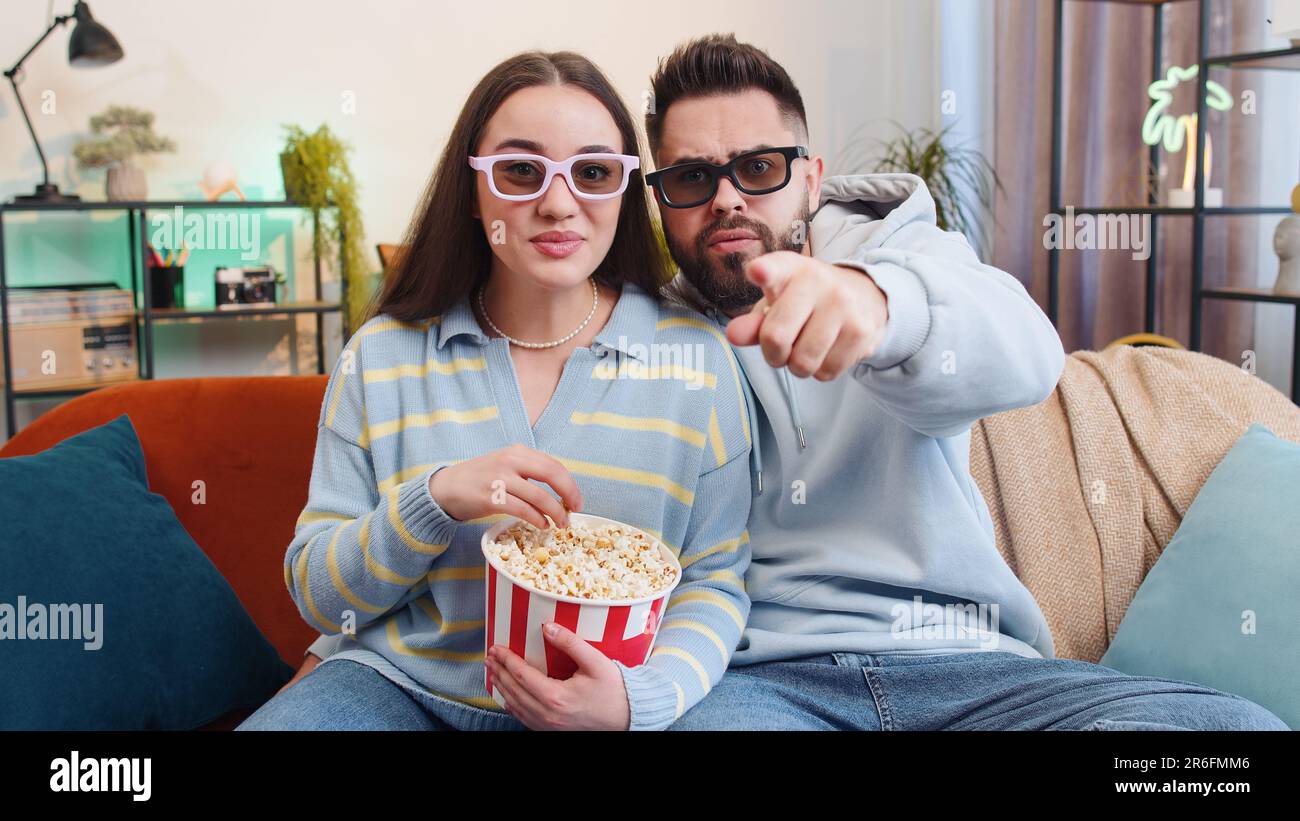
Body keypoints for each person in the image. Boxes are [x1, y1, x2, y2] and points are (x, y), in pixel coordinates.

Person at [639, 33, 1285, 731]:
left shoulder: (908, 255)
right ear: (661, 197)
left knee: (1231, 737)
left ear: (811, 178)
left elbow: (1031, 357)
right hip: (762, 685)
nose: (728, 199)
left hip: (974, 669)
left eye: (759, 167)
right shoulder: (650, 336)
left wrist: (880, 305)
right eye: (691, 178)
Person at [236, 49, 753, 732]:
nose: (558, 203)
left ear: (626, 190)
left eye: (594, 172)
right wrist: (434, 498)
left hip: (604, 708)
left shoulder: (695, 360)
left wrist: (639, 700)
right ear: (473, 191)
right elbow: (321, 598)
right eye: (520, 170)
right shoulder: (383, 356)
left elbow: (713, 583)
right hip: (396, 689)